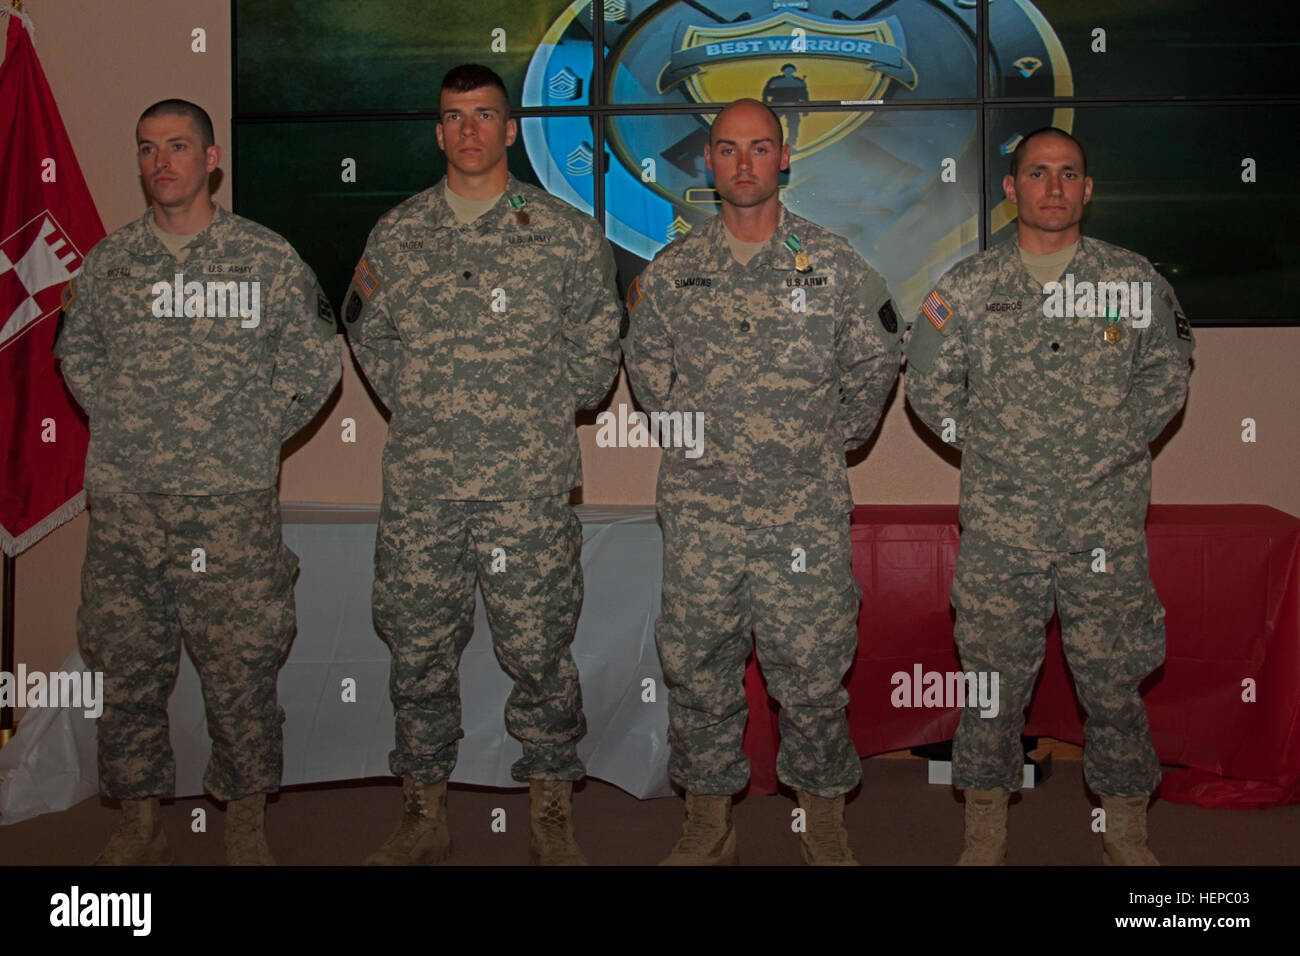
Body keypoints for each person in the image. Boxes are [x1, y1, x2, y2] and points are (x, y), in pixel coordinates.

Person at [342, 64, 622, 866]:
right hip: (424, 491)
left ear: (509, 130)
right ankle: (424, 810)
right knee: (419, 654)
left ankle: (550, 809)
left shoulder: (565, 234)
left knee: (539, 654)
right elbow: (368, 336)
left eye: (485, 116)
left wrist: (528, 414)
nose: (468, 130)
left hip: (527, 491)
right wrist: (431, 407)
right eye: (453, 117)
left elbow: (598, 349)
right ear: (438, 132)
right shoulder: (397, 235)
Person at [54, 99, 341, 865]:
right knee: (126, 664)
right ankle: (138, 813)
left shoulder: (265, 259)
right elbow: (76, 359)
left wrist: (247, 436)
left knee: (241, 665)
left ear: (212, 158)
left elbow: (316, 365)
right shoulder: (109, 265)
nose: (162, 163)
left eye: (179, 147)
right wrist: (127, 423)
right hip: (126, 504)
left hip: (230, 506)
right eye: (148, 149)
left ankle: (243, 813)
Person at [622, 98, 903, 865]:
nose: (743, 163)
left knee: (812, 670)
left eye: (759, 148)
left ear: (785, 159)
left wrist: (819, 445)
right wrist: (705, 448)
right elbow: (648, 378)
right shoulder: (673, 274)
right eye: (726, 149)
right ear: (707, 162)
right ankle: (708, 819)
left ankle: (823, 816)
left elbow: (877, 366)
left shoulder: (835, 266)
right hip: (702, 514)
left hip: (801, 517)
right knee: (698, 667)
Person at [903, 127, 1195, 865]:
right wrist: (992, 445)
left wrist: (1116, 440)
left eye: (1069, 174)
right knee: (993, 688)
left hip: (1105, 528)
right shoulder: (968, 289)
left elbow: (1168, 370)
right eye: (1038, 173)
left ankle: (1126, 829)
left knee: (1115, 684)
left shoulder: (1131, 282)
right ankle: (984, 833)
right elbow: (928, 387)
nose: (1054, 187)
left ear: (1087, 190)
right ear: (1012, 190)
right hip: (1005, 531)